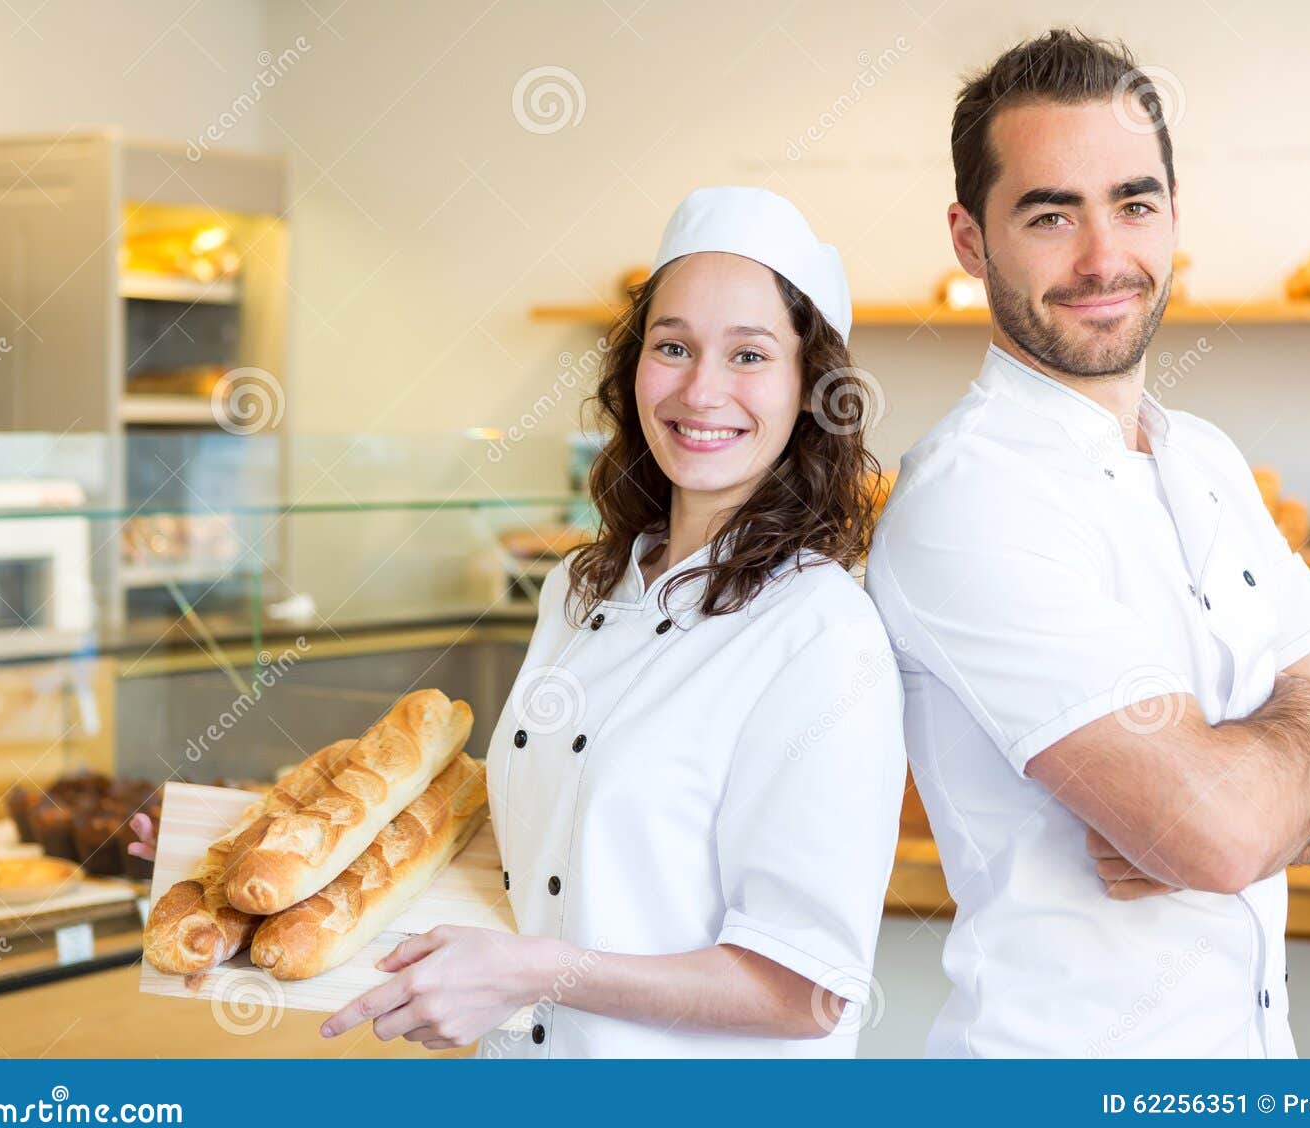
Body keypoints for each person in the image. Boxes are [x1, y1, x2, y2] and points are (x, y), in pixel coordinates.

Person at [864, 30, 1310, 1058]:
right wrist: (1301, 714)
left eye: (1132, 203)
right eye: (1048, 214)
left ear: (1170, 215)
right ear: (969, 238)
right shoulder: (969, 502)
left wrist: (1246, 807)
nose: (1101, 258)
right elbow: (1225, 824)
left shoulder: (1205, 461)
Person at [316, 186, 907, 1057]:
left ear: (811, 389)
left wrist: (530, 974)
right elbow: (544, 859)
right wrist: (251, 862)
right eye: (673, 347)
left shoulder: (820, 631)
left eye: (749, 355)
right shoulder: (579, 588)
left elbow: (807, 990)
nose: (702, 390)